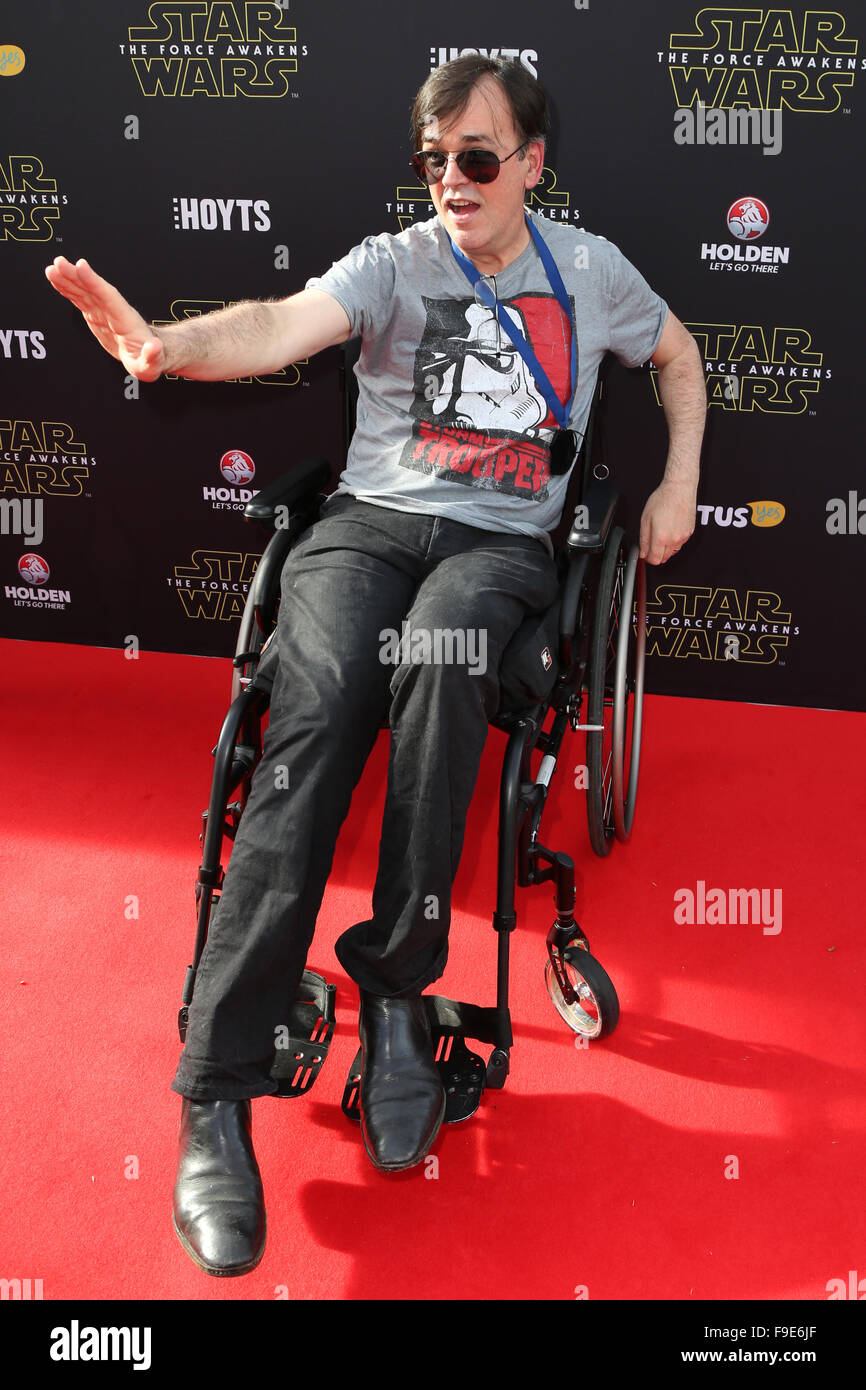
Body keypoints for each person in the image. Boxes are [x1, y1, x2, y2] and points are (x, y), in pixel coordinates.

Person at [45, 55, 705, 1277]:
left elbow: (676, 357)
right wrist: (164, 345)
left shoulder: (592, 272)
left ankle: (399, 996)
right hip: (367, 526)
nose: (450, 181)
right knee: (318, 707)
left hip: (497, 545)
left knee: (446, 669)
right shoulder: (394, 262)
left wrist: (677, 482)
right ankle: (215, 1085)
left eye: (476, 158)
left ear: (531, 165)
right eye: (433, 159)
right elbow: (281, 325)